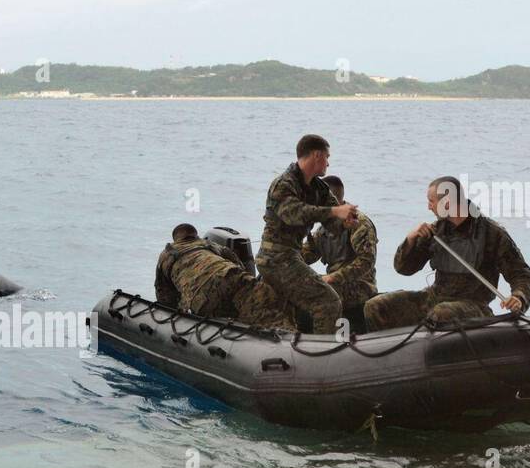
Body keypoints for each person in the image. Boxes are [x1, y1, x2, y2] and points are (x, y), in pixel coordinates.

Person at [363, 176, 530, 331]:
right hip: (435, 297)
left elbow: (520, 274)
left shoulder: (491, 234)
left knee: (441, 313)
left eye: (431, 201)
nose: (428, 207)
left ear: (447, 202)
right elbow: (404, 269)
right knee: (376, 306)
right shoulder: (437, 231)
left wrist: (518, 297)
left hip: (474, 305)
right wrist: (410, 241)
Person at [260, 135, 360, 333]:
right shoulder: (283, 184)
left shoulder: (319, 188)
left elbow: (333, 225)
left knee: (287, 312)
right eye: (327, 157)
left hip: (290, 257)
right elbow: (294, 214)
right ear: (317, 155)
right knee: (328, 302)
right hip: (275, 258)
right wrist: (334, 212)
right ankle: (325, 356)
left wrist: (345, 222)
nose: (328, 163)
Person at [155, 223, 294, 330]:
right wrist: (243, 274)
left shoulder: (166, 255)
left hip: (204, 296)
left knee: (227, 316)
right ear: (195, 235)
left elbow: (165, 295)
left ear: (176, 239)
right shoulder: (208, 244)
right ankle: (291, 336)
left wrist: (178, 310)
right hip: (232, 276)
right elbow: (233, 257)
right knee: (268, 310)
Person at [299, 175, 377, 332]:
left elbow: (366, 262)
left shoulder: (358, 223)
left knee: (315, 292)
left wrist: (332, 277)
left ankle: (323, 339)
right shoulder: (323, 228)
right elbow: (307, 254)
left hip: (360, 286)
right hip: (334, 284)